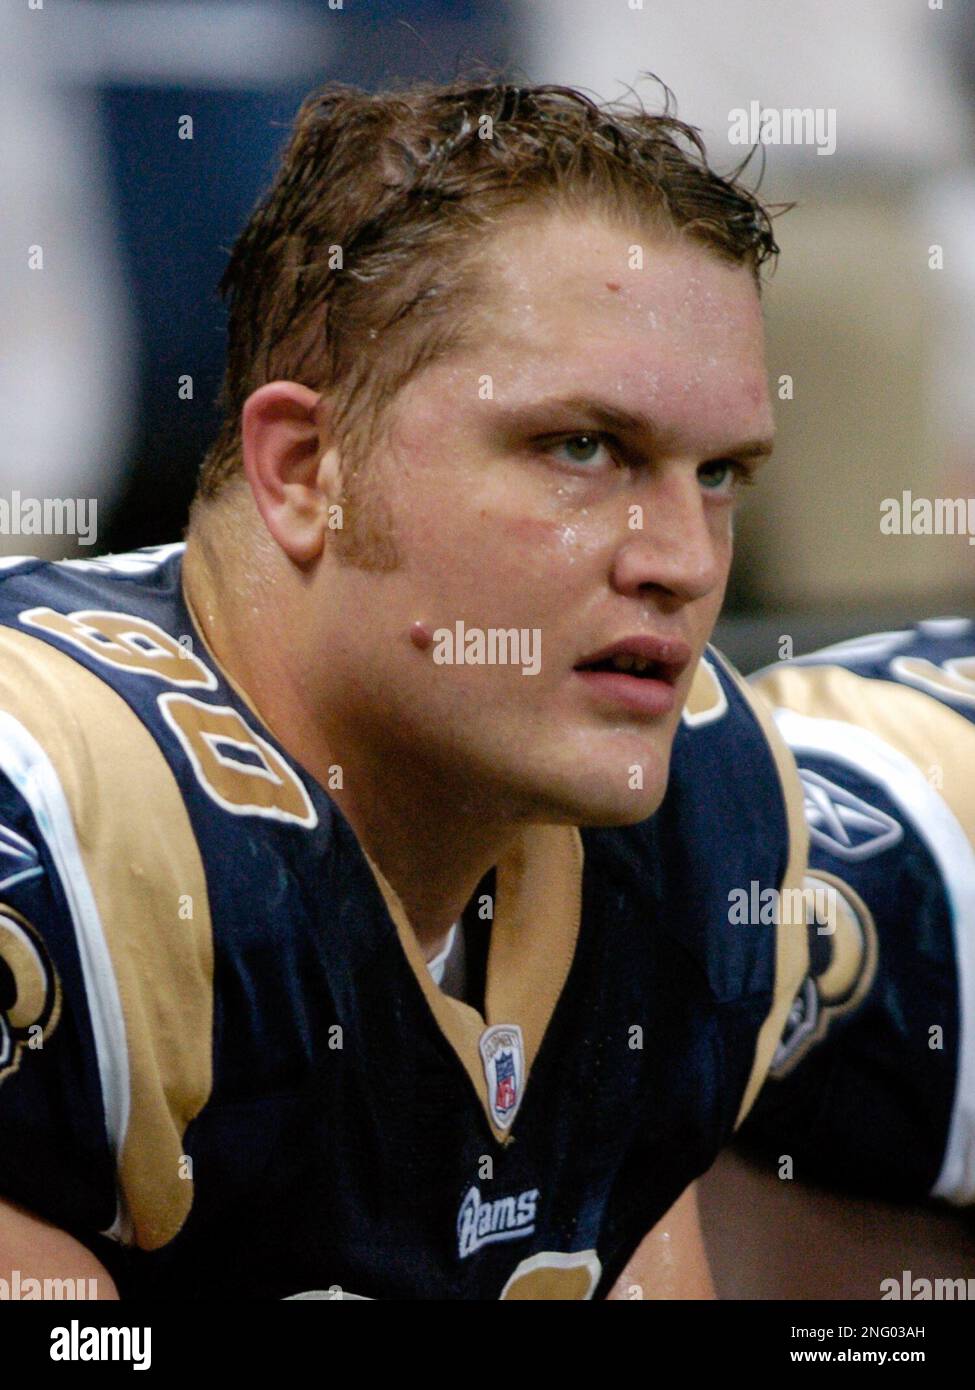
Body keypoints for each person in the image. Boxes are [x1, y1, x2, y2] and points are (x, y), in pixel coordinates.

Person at [0, 77, 967, 1300]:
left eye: (718, 472)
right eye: (582, 448)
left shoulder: (702, 824)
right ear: (306, 471)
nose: (681, 561)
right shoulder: (55, 827)